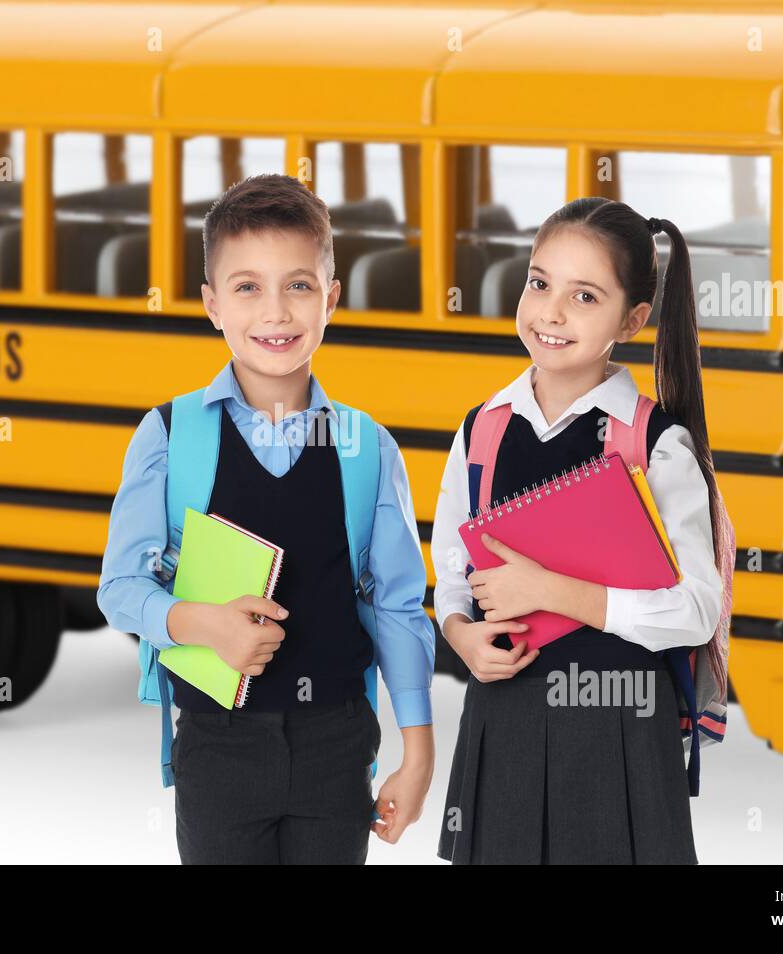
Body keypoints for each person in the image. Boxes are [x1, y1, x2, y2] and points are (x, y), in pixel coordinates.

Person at [97, 173, 435, 864]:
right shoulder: (170, 435)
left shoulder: (366, 447)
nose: (275, 311)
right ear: (212, 304)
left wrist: (418, 750)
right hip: (217, 746)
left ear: (331, 298)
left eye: (299, 285)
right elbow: (120, 589)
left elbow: (398, 605)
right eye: (248, 287)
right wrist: (203, 624)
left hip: (338, 746)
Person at [431, 197, 725, 864]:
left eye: (584, 296)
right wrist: (460, 634)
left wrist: (555, 592)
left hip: (618, 734)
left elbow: (699, 608)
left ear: (633, 319)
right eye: (539, 283)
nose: (551, 312)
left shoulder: (655, 443)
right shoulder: (483, 428)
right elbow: (452, 566)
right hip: (503, 719)